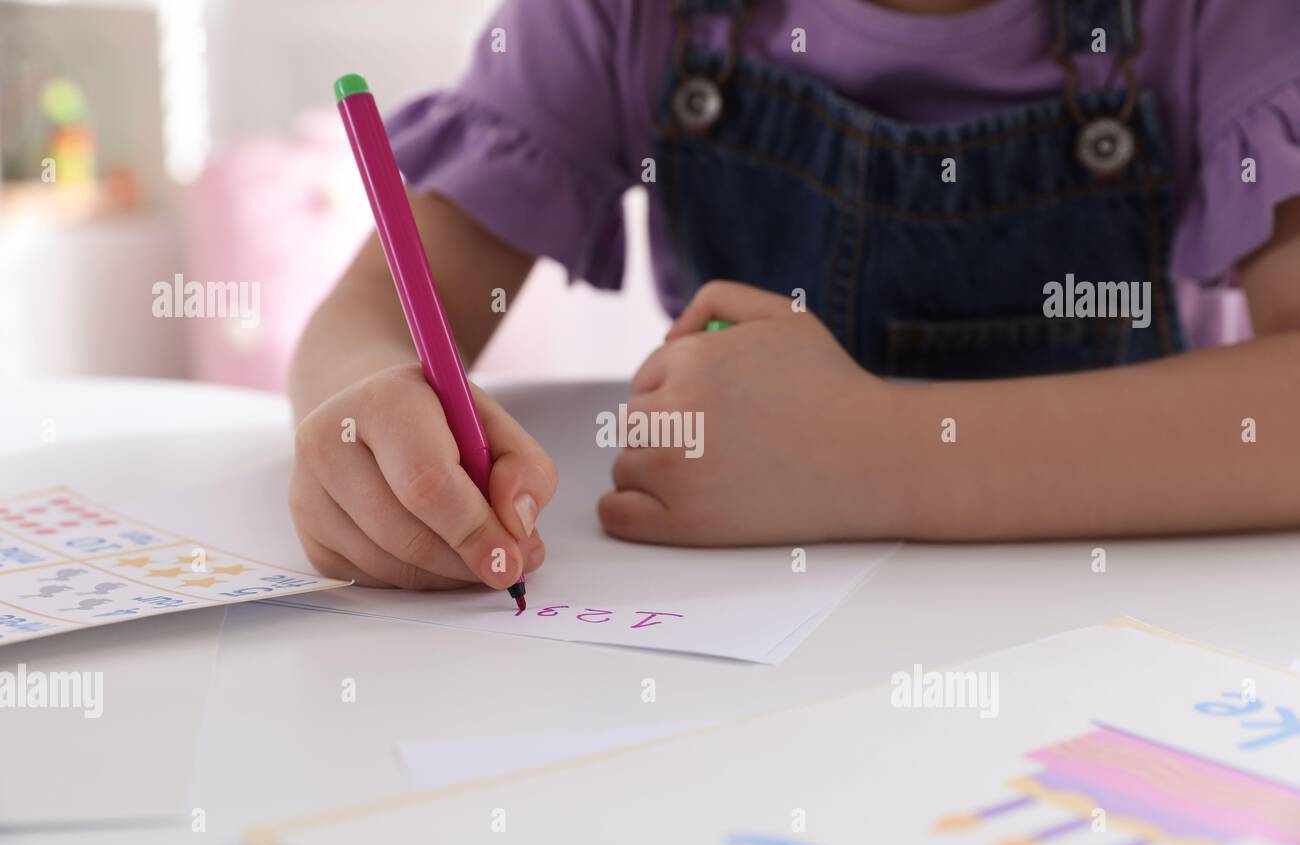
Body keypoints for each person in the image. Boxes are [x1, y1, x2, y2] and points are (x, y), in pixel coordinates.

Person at [288, 0, 1300, 591]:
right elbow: (382, 304)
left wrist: (876, 455)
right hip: (748, 666)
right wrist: (370, 410)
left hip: (1115, 631)